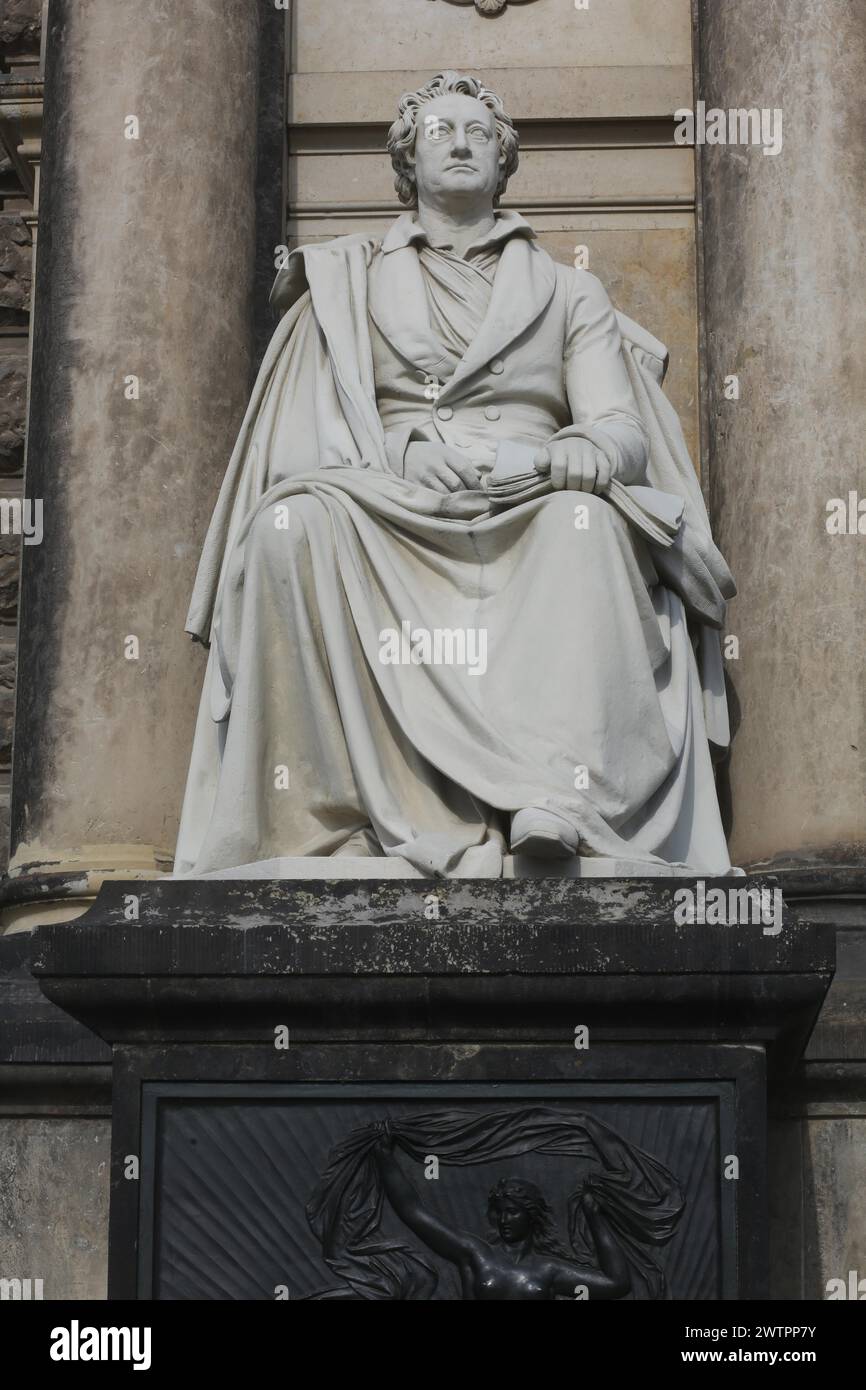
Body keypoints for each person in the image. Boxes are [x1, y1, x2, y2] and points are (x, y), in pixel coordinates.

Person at [175, 71, 736, 879]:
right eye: (440, 132)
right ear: (407, 163)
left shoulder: (570, 290)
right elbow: (305, 432)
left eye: (479, 133)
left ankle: (556, 796)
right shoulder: (348, 280)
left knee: (583, 529)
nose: (462, 142)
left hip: (533, 489)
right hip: (390, 491)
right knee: (286, 527)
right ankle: (317, 816)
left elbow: (620, 427)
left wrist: (584, 452)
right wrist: (393, 454)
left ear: (505, 163)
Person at [373, 1132, 629, 1301]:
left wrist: (595, 1217)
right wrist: (385, 1158)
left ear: (531, 1216)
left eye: (513, 1212)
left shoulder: (548, 1269)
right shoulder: (476, 1254)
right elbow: (413, 1213)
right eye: (500, 1212)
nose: (504, 1220)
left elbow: (616, 1284)